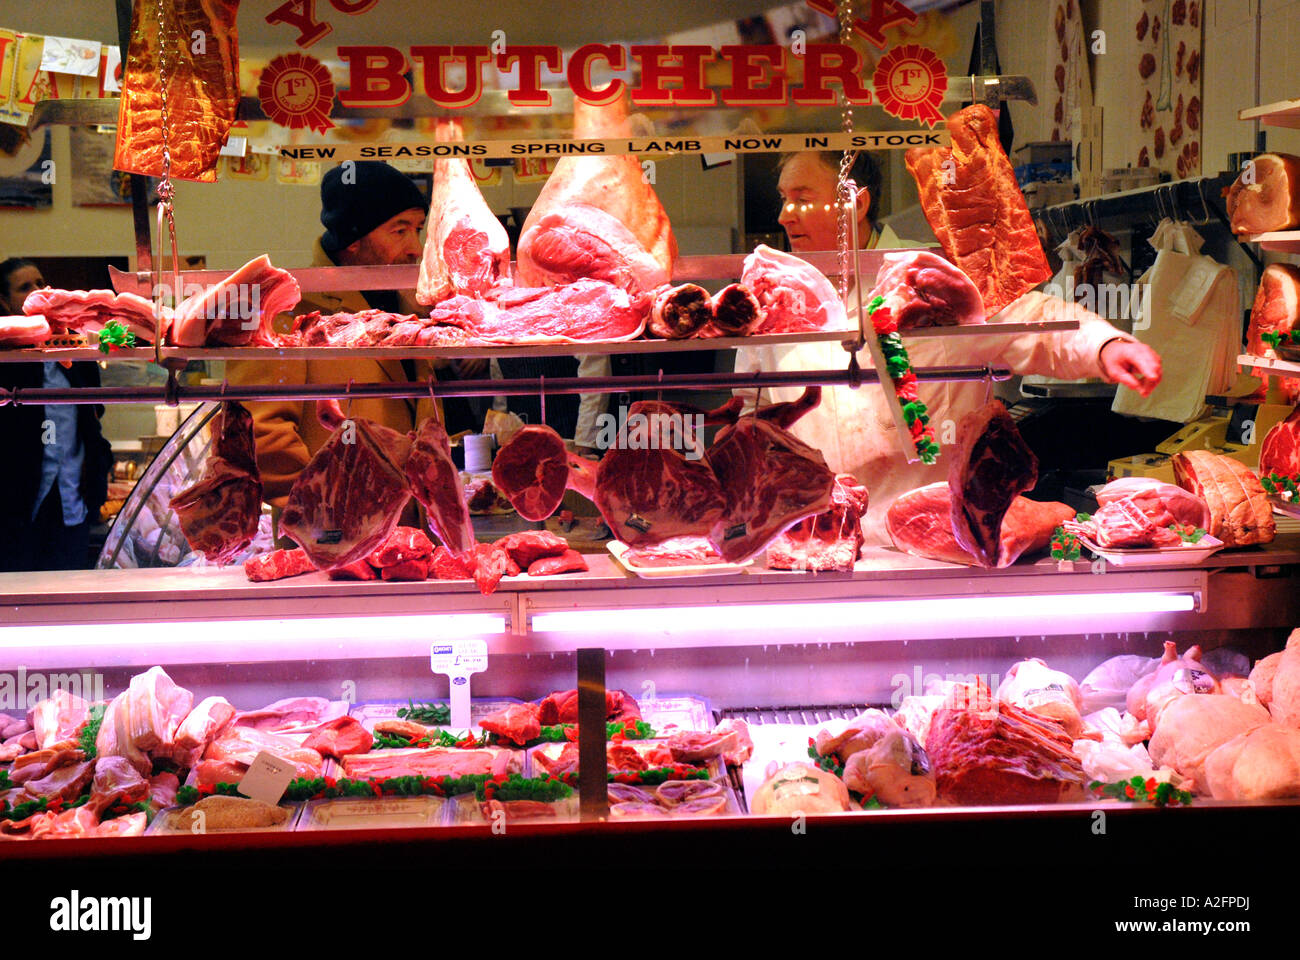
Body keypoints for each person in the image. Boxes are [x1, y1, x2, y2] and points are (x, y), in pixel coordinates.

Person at [736, 151, 1164, 545]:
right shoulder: (776, 297)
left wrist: (1105, 345)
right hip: (813, 540)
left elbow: (1032, 319)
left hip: (936, 536)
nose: (784, 214)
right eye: (783, 198)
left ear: (856, 204)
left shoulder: (927, 280)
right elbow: (749, 417)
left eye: (801, 197)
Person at [226, 162, 479, 518]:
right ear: (353, 239)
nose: (415, 248)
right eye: (399, 230)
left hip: (409, 535)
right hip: (334, 539)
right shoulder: (288, 314)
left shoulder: (408, 308)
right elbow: (259, 433)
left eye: (418, 230)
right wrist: (320, 520)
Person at [0, 257, 114, 571]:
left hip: (73, 503)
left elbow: (94, 416)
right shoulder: (5, 358)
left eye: (40, 282)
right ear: (5, 302)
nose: (38, 290)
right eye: (25, 287)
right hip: (16, 507)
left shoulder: (77, 351)